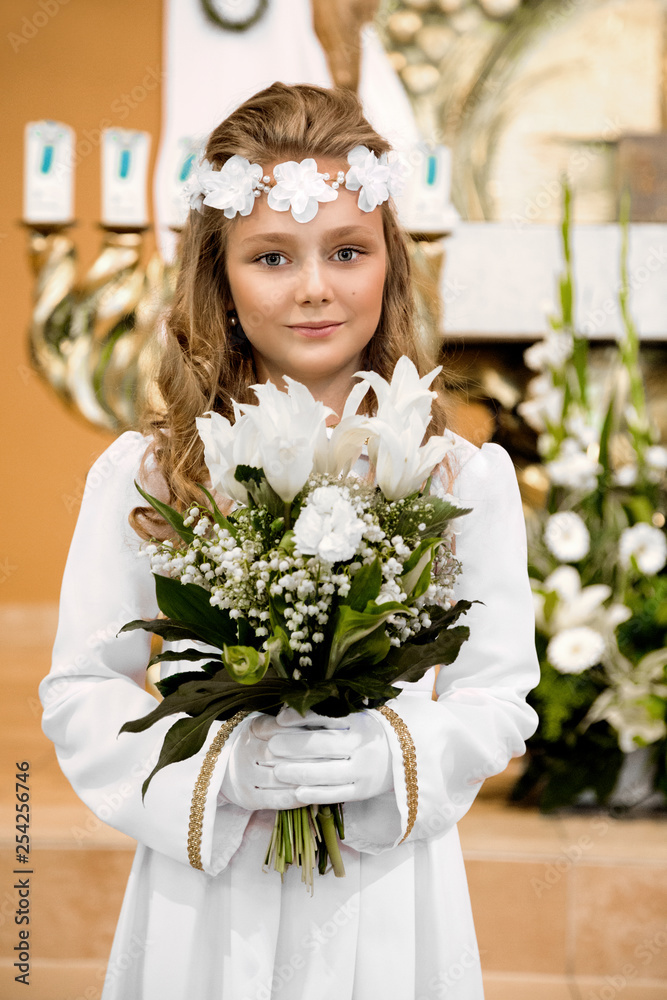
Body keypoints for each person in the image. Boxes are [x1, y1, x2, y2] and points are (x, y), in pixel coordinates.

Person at [40, 82, 539, 1000]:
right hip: (210, 893)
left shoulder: (461, 480)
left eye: (346, 251)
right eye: (271, 257)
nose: (314, 287)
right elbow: (80, 689)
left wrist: (394, 752)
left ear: (388, 261)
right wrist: (220, 769)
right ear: (220, 280)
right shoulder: (150, 476)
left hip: (388, 890)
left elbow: (498, 695)